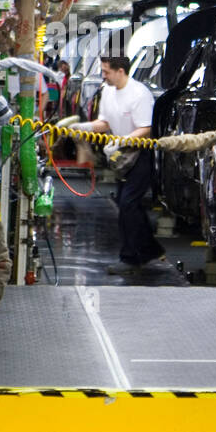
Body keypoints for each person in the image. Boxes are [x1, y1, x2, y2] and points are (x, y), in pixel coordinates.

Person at [74, 49, 169, 276]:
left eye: (106, 72)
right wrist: (83, 127)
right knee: (129, 205)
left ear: (120, 71)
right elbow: (104, 123)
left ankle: (131, 258)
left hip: (140, 155)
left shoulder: (139, 94)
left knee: (128, 204)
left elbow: (146, 129)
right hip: (121, 157)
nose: (103, 76)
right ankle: (151, 251)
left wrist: (122, 141)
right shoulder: (108, 91)